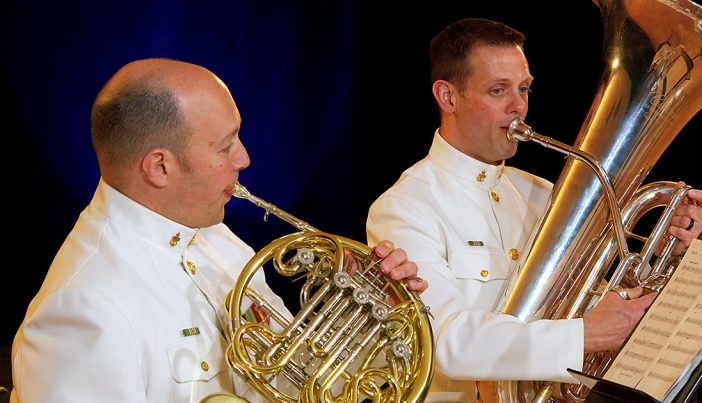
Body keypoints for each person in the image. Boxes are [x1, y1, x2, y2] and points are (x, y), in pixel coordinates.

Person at [10, 58, 427, 403]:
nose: (244, 158)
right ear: (160, 167)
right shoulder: (84, 308)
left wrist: (374, 314)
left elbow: (301, 384)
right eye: (225, 146)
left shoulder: (216, 239)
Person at [366, 18, 702, 402]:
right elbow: (447, 343)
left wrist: (674, 249)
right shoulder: (404, 206)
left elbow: (604, 300)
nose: (519, 107)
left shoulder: (540, 193)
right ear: (448, 97)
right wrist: (586, 335)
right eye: (498, 90)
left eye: (524, 89)